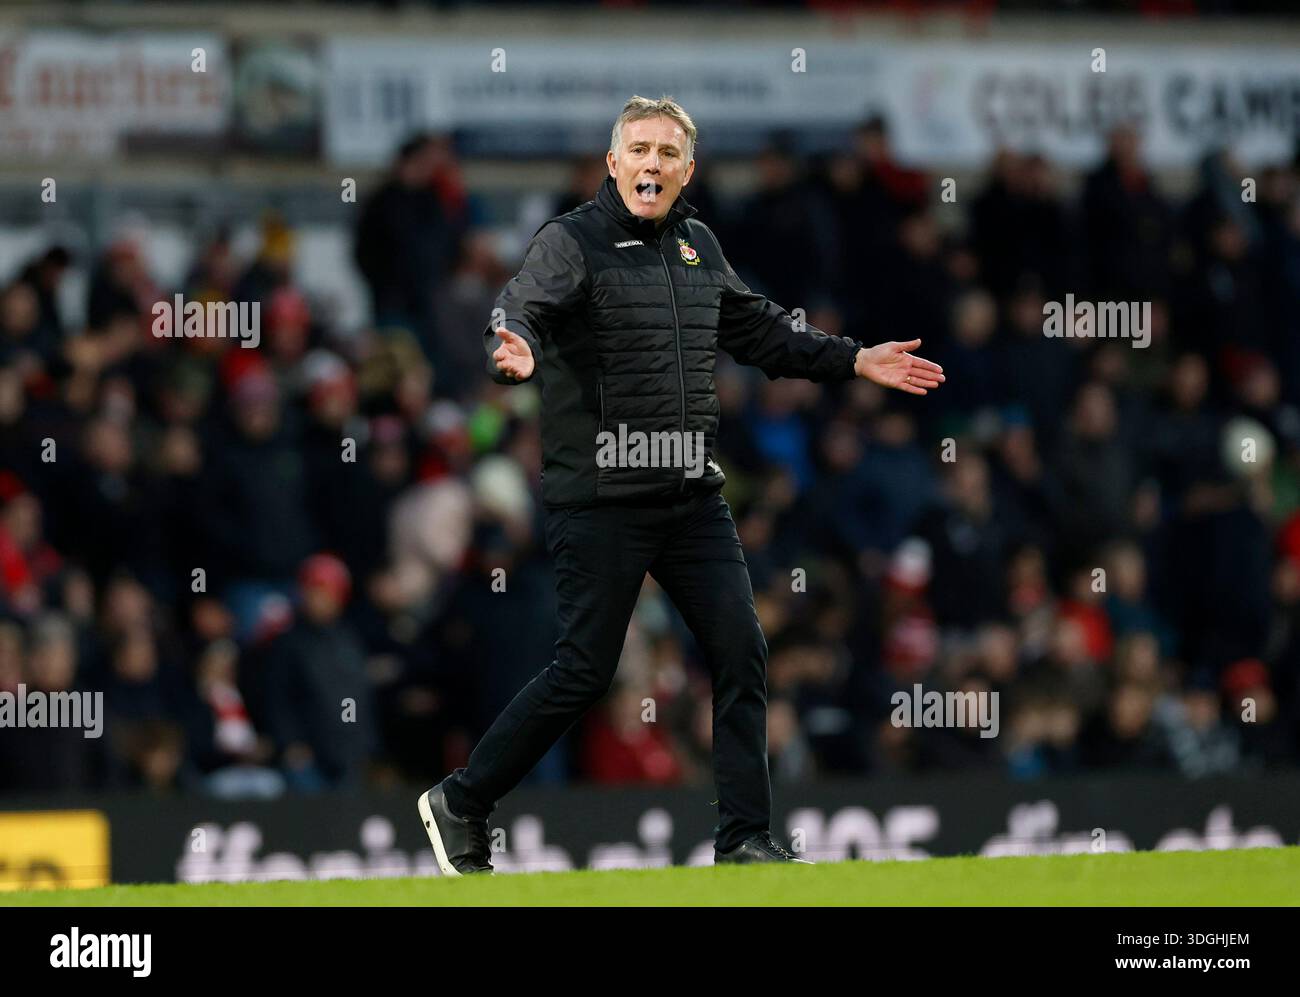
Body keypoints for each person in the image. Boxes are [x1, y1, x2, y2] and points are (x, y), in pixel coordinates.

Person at [418, 95, 945, 874]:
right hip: (601, 494)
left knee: (741, 648)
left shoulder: (699, 246)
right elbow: (521, 302)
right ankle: (462, 799)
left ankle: (742, 837)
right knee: (585, 671)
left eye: (668, 152)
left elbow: (761, 330)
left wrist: (853, 358)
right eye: (639, 149)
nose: (652, 164)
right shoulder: (571, 241)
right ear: (613, 163)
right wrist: (515, 341)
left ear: (686, 169)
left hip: (691, 495)